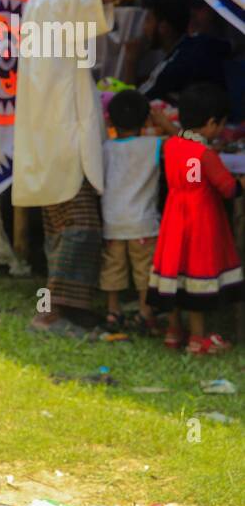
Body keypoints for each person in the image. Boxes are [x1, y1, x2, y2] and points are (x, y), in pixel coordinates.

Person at [13, 0, 165, 336]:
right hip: (63, 143)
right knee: (81, 228)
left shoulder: (40, 3)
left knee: (62, 229)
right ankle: (51, 315)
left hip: (47, 140)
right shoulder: (57, 1)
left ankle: (68, 311)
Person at [147, 83, 243, 354]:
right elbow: (228, 189)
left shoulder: (173, 145)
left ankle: (174, 330)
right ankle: (198, 338)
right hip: (201, 220)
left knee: (178, 274)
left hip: (175, 216)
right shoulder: (206, 154)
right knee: (197, 276)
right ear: (212, 123)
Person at [100, 89, 163, 335]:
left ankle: (113, 310)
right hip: (143, 224)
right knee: (144, 270)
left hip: (113, 222)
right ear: (147, 120)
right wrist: (164, 122)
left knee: (112, 268)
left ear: (110, 120)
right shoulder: (153, 145)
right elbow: (189, 142)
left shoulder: (105, 148)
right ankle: (145, 312)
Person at [137, 0, 231, 103]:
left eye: (148, 20)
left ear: (163, 27)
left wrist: (130, 61)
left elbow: (138, 103)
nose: (144, 27)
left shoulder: (178, 63)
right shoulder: (190, 46)